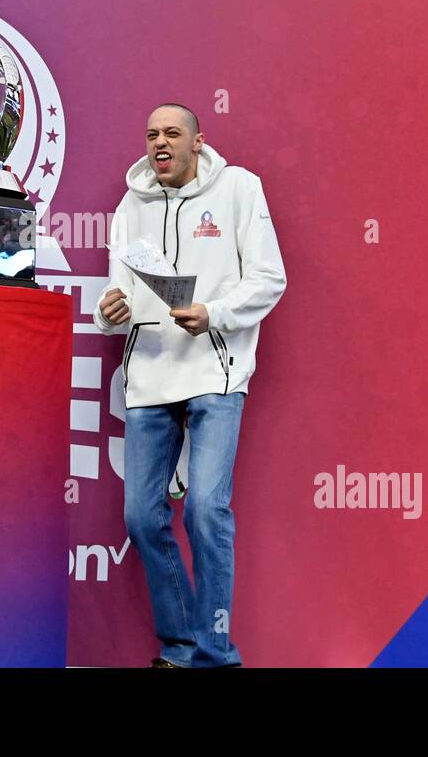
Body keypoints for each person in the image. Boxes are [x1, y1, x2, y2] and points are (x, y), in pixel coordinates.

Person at [94, 102, 286, 668]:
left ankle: (215, 655)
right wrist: (111, 310)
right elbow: (117, 300)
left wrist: (216, 314)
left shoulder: (239, 189)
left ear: (198, 141)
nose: (160, 143)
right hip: (149, 374)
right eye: (151, 133)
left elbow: (269, 279)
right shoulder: (130, 205)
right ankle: (178, 647)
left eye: (173, 133)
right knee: (139, 516)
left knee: (205, 510)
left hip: (216, 371)